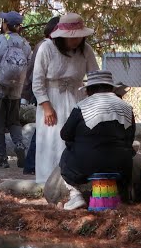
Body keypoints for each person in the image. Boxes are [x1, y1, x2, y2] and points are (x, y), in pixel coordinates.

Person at [31, 13, 98, 184]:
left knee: (77, 138)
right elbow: (37, 81)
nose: (75, 41)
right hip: (52, 99)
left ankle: (75, 180)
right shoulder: (46, 48)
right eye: (71, 38)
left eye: (78, 37)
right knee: (52, 140)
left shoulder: (86, 50)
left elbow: (95, 76)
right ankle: (49, 181)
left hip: (78, 98)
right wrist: (46, 107)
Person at [58, 70, 136, 211]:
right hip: (121, 165)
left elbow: (65, 134)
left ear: (88, 90)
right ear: (111, 88)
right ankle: (124, 194)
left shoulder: (81, 106)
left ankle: (75, 195)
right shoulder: (127, 107)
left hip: (86, 165)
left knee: (66, 154)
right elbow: (130, 138)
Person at [0, 11, 33, 169]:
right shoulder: (25, 44)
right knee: (14, 121)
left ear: (5, 24)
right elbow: (28, 65)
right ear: (18, 27)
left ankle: (2, 158)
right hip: (15, 91)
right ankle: (19, 144)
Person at [22, 16, 58, 176]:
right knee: (43, 129)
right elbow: (32, 74)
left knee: (45, 129)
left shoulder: (49, 46)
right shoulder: (43, 46)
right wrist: (27, 94)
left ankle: (34, 163)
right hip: (42, 92)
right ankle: (31, 164)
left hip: (47, 92)